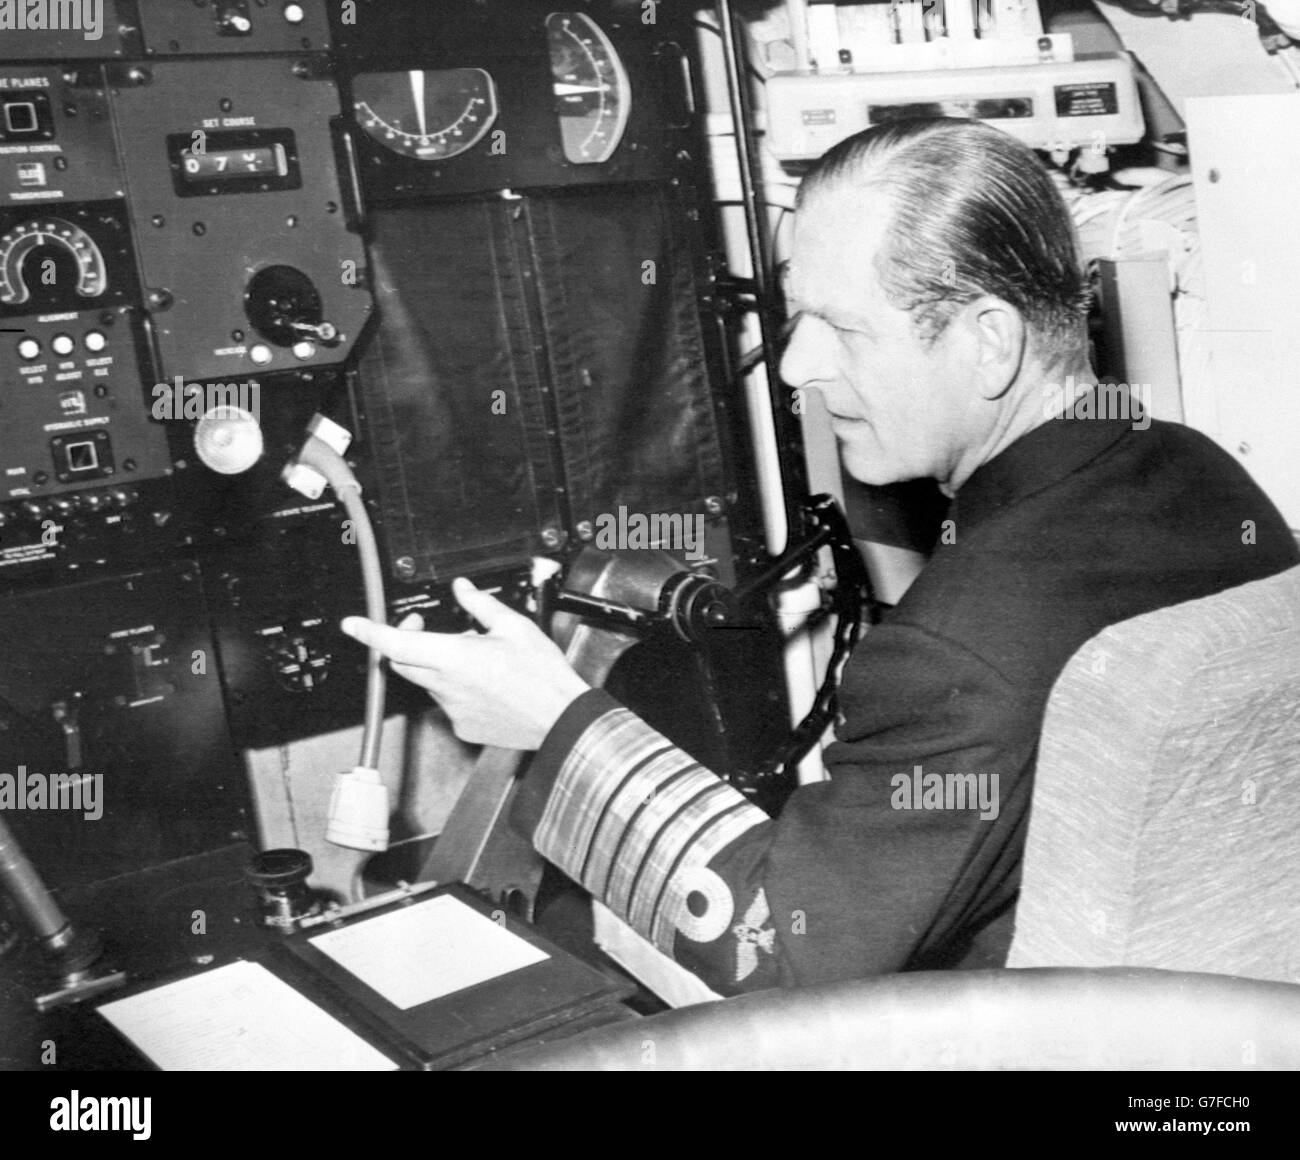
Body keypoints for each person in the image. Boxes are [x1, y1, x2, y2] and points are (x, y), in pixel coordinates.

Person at [342, 118, 1299, 995]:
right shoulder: (1199, 473)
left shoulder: (958, 651)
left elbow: (778, 954)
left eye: (840, 328)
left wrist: (553, 724)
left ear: (988, 343)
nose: (796, 366)